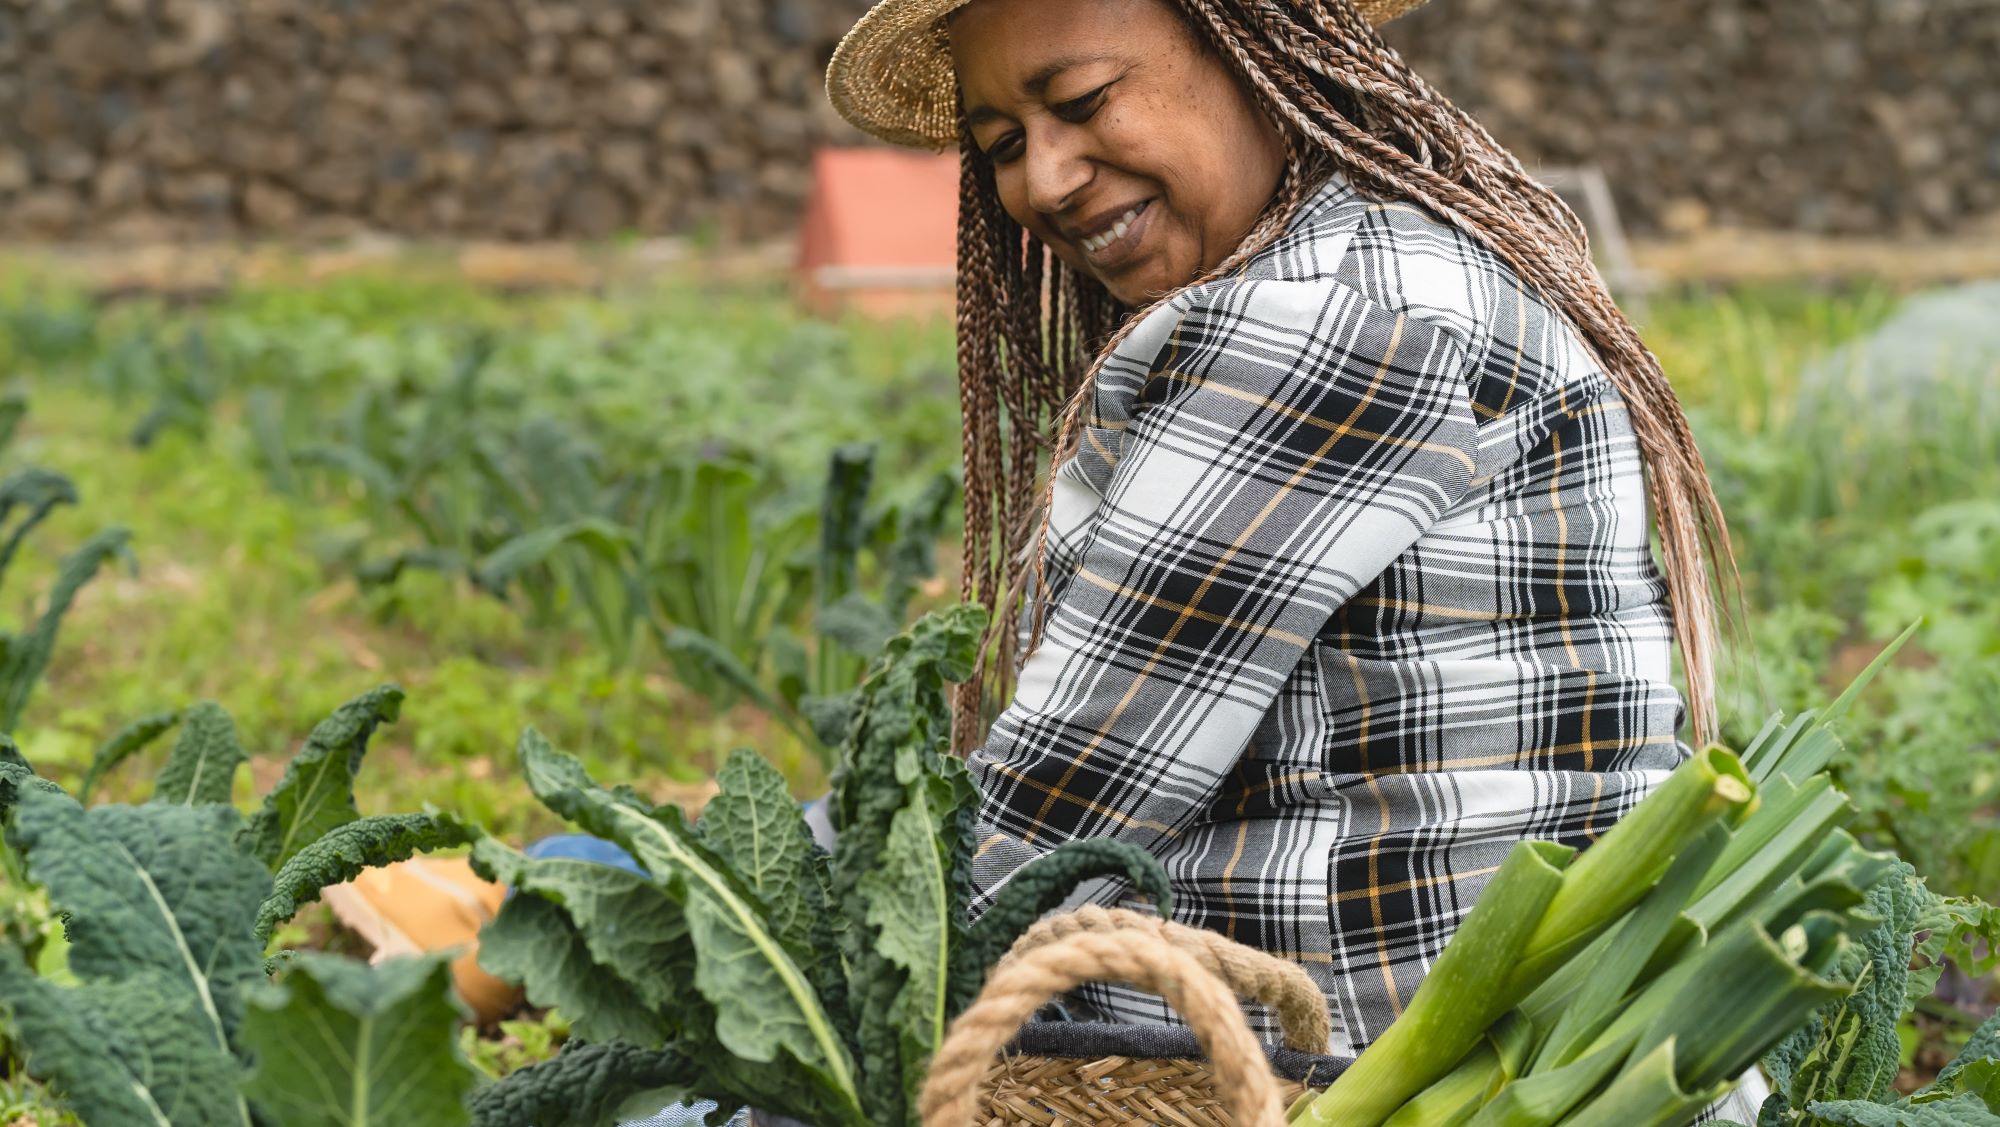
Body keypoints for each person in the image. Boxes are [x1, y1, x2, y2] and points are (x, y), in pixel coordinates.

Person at [829, 0, 1763, 1119]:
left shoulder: (1320, 317)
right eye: (1002, 145)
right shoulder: (1375, 257)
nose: (1044, 179)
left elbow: (1055, 814)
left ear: (1249, 46)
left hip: (1346, 1065)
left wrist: (762, 918)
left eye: (1080, 103)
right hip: (1439, 1034)